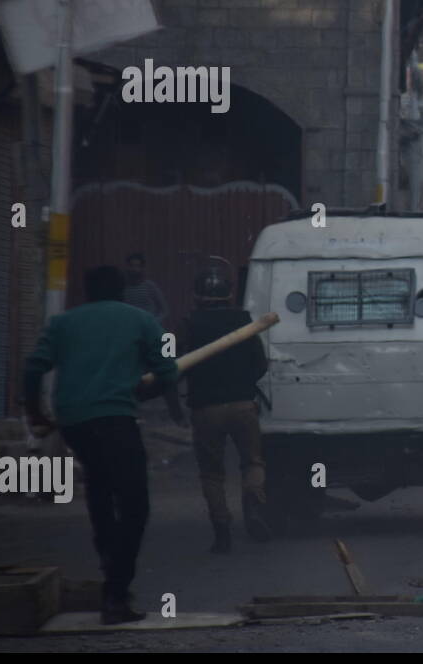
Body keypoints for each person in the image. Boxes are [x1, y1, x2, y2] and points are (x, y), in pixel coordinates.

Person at [23, 265, 180, 624]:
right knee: (135, 504)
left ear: (86, 291)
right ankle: (115, 591)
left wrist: (36, 414)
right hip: (115, 420)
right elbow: (168, 371)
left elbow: (33, 369)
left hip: (74, 422)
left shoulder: (63, 323)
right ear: (122, 291)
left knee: (99, 485)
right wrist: (143, 391)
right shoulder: (140, 320)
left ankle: (108, 553)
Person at [182, 263, 271, 554]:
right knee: (253, 463)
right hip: (243, 405)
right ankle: (254, 500)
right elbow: (261, 364)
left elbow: (172, 365)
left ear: (197, 295)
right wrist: (243, 384)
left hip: (205, 409)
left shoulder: (188, 325)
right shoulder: (244, 322)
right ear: (230, 294)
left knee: (212, 473)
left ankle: (222, 531)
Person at [123, 252, 169, 323]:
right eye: (131, 265)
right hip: (130, 326)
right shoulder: (122, 287)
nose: (134, 269)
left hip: (148, 325)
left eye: (137, 266)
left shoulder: (150, 286)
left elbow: (164, 310)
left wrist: (154, 322)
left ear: (142, 268)